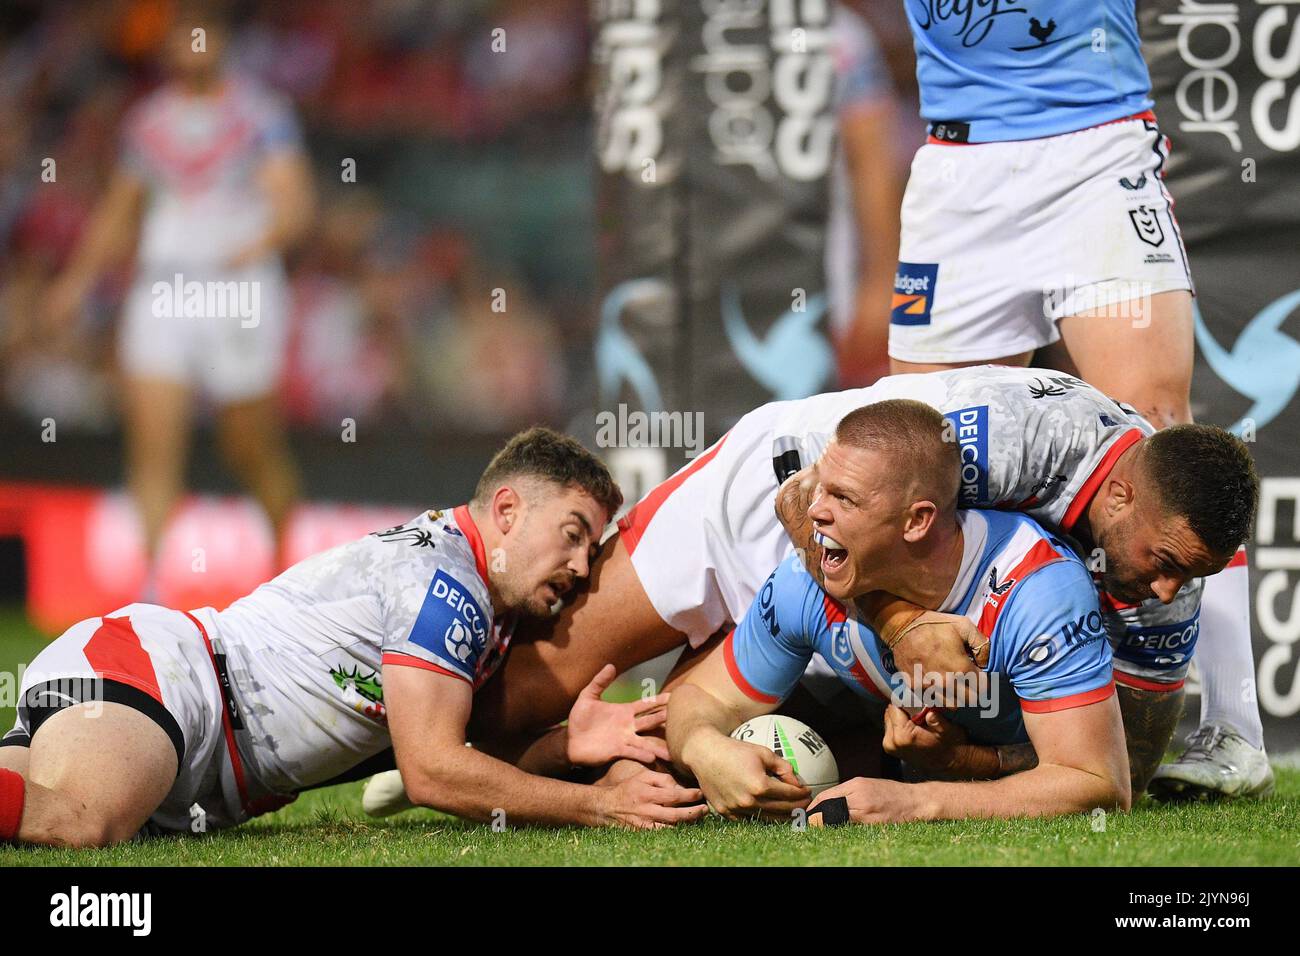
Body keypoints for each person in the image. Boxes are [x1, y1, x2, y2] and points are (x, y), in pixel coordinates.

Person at [366, 366, 1258, 810]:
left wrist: (959, 763)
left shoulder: (1167, 568)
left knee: (685, 749)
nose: (1168, 587)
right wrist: (905, 624)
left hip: (859, 558)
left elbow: (1117, 773)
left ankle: (503, 771)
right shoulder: (1018, 442)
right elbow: (820, 506)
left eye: (1197, 578)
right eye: (1167, 559)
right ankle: (435, 758)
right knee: (528, 688)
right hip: (768, 494)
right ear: (1124, 489)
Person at [884, 0, 1263, 798]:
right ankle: (940, 719)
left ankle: (1231, 725)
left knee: (1160, 435)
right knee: (907, 466)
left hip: (1094, 148)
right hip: (958, 169)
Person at [0, 428, 703, 847]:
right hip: (172, 679)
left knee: (36, 813)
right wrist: (596, 804)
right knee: (80, 822)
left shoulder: (476, 596)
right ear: (509, 512)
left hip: (188, 723)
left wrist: (560, 747)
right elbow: (430, 772)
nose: (582, 567)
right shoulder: (445, 585)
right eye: (572, 536)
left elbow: (448, 748)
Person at [667, 401, 1130, 824]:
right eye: (820, 489)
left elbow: (1097, 781)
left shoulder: (1037, 587)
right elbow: (704, 698)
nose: (815, 513)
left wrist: (915, 800)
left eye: (843, 499)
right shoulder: (806, 581)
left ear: (917, 521)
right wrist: (705, 750)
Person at [45, 12, 313, 584]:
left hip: (238, 288)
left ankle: (283, 564)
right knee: (153, 439)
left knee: (247, 443)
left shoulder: (259, 115)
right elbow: (120, 209)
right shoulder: (149, 122)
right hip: (166, 286)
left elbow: (295, 201)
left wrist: (264, 235)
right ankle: (150, 584)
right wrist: (75, 283)